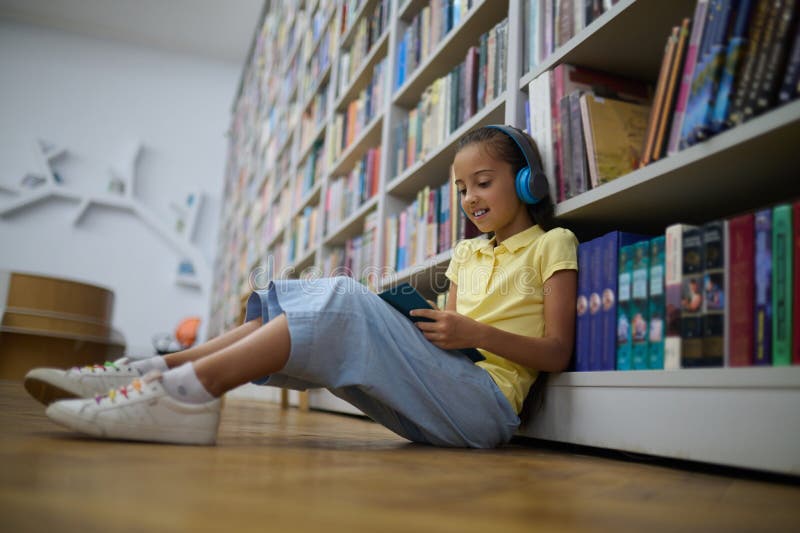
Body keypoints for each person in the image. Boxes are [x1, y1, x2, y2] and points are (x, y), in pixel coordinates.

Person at [24, 125, 579, 448]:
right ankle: (154, 374)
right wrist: (435, 327)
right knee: (324, 305)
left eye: (482, 183)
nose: (469, 199)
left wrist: (469, 331)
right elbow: (449, 339)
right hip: (446, 385)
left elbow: (555, 352)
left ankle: (181, 395)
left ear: (526, 181)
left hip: (486, 409)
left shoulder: (553, 243)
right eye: (461, 189)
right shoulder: (465, 252)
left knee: (340, 302)